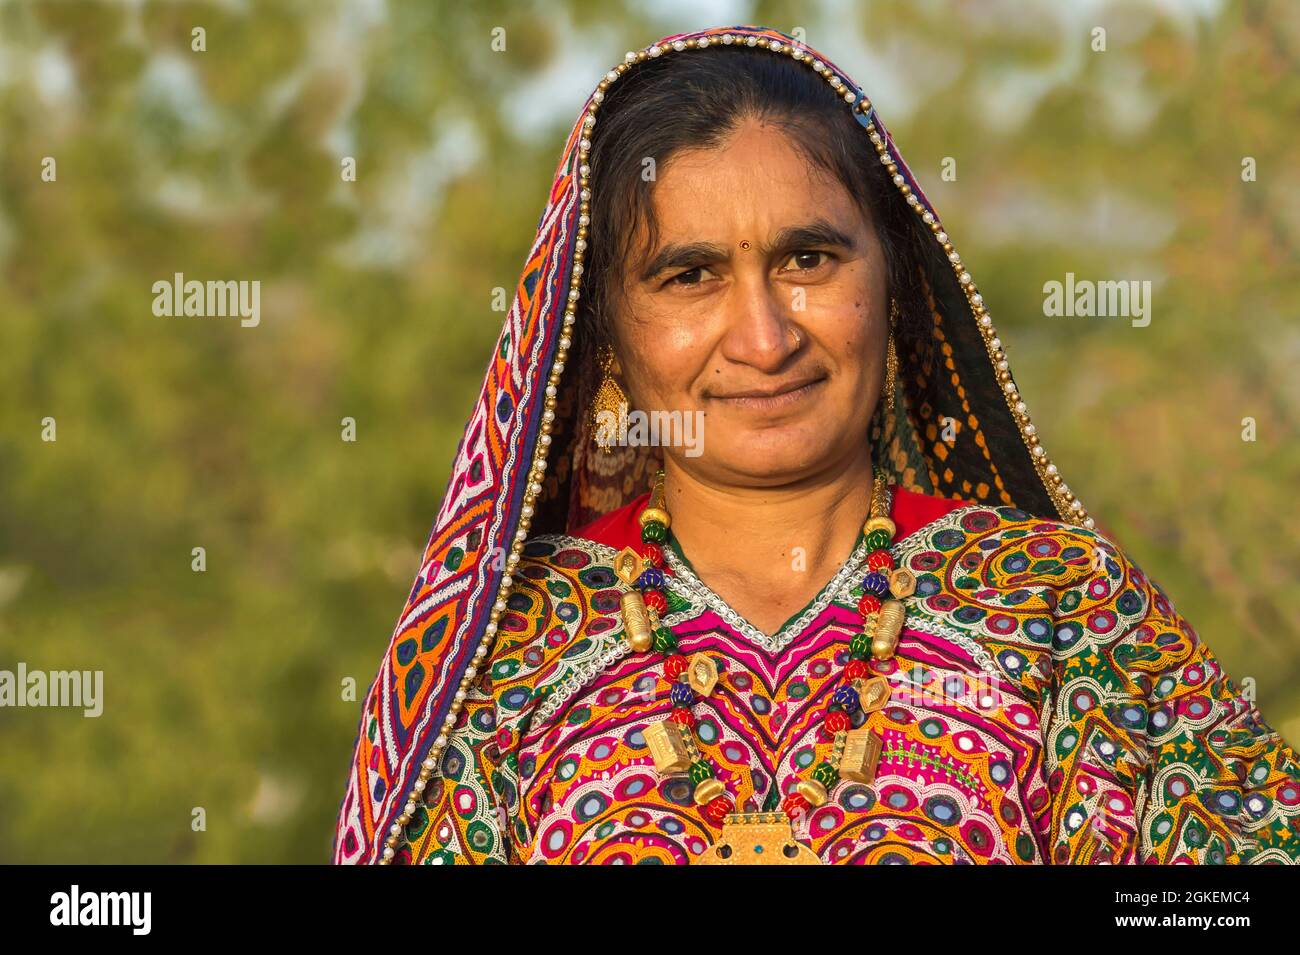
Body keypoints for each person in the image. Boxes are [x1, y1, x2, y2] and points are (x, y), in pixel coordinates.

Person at [332, 25, 1300, 865]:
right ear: (609, 339)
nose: (764, 337)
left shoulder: (1064, 614)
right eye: (690, 276)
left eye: (807, 259)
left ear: (891, 284)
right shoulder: (503, 658)